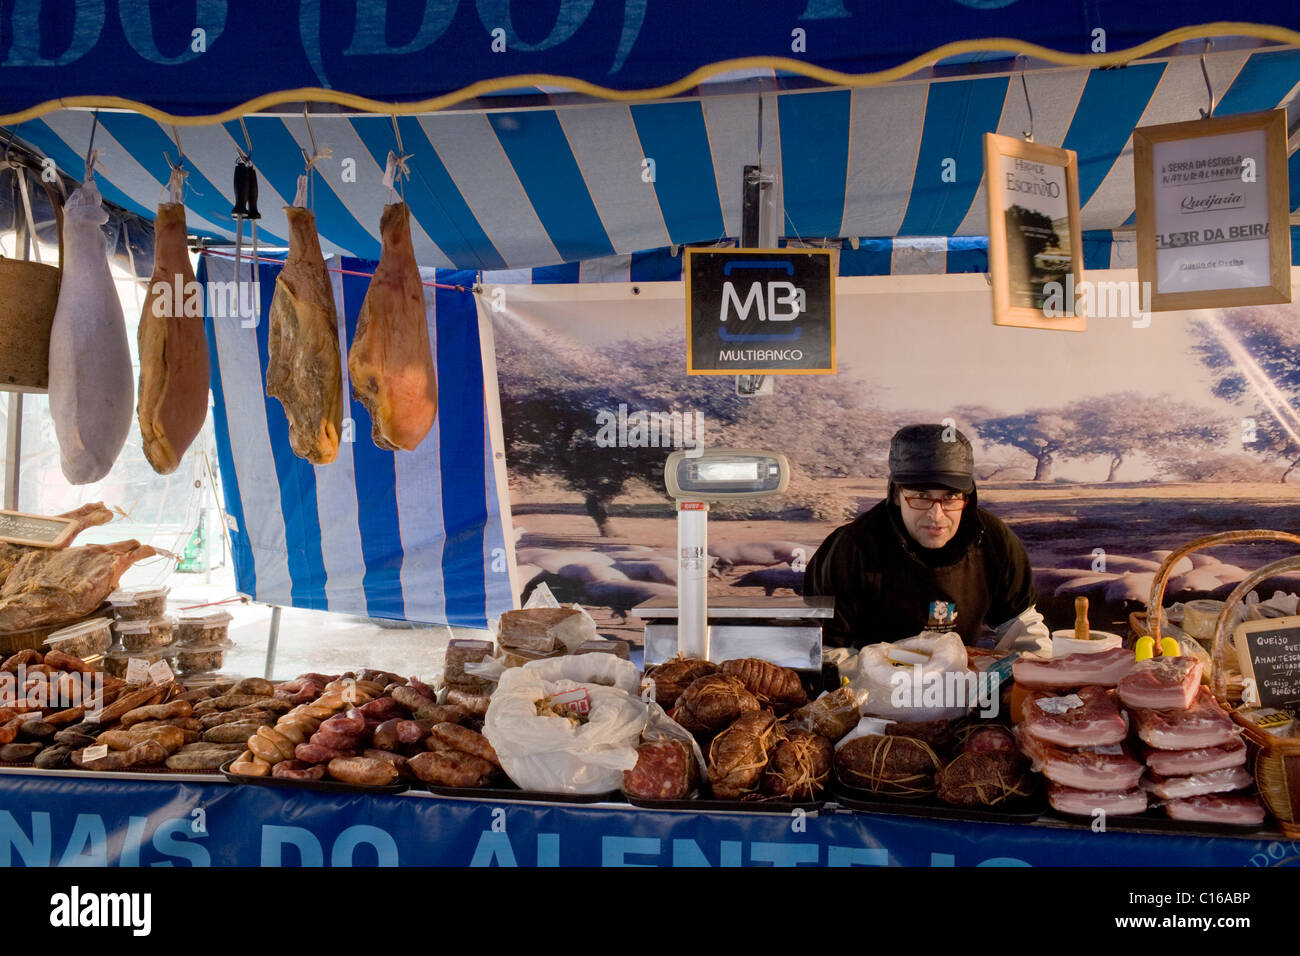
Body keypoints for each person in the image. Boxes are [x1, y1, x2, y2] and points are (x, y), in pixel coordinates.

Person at [803, 423, 1050, 653]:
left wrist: (1037, 674)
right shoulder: (849, 548)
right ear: (897, 495)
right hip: (870, 691)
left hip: (960, 686)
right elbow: (825, 650)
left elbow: (1022, 626)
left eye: (950, 497)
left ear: (967, 497)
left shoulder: (994, 539)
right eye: (921, 496)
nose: (936, 515)